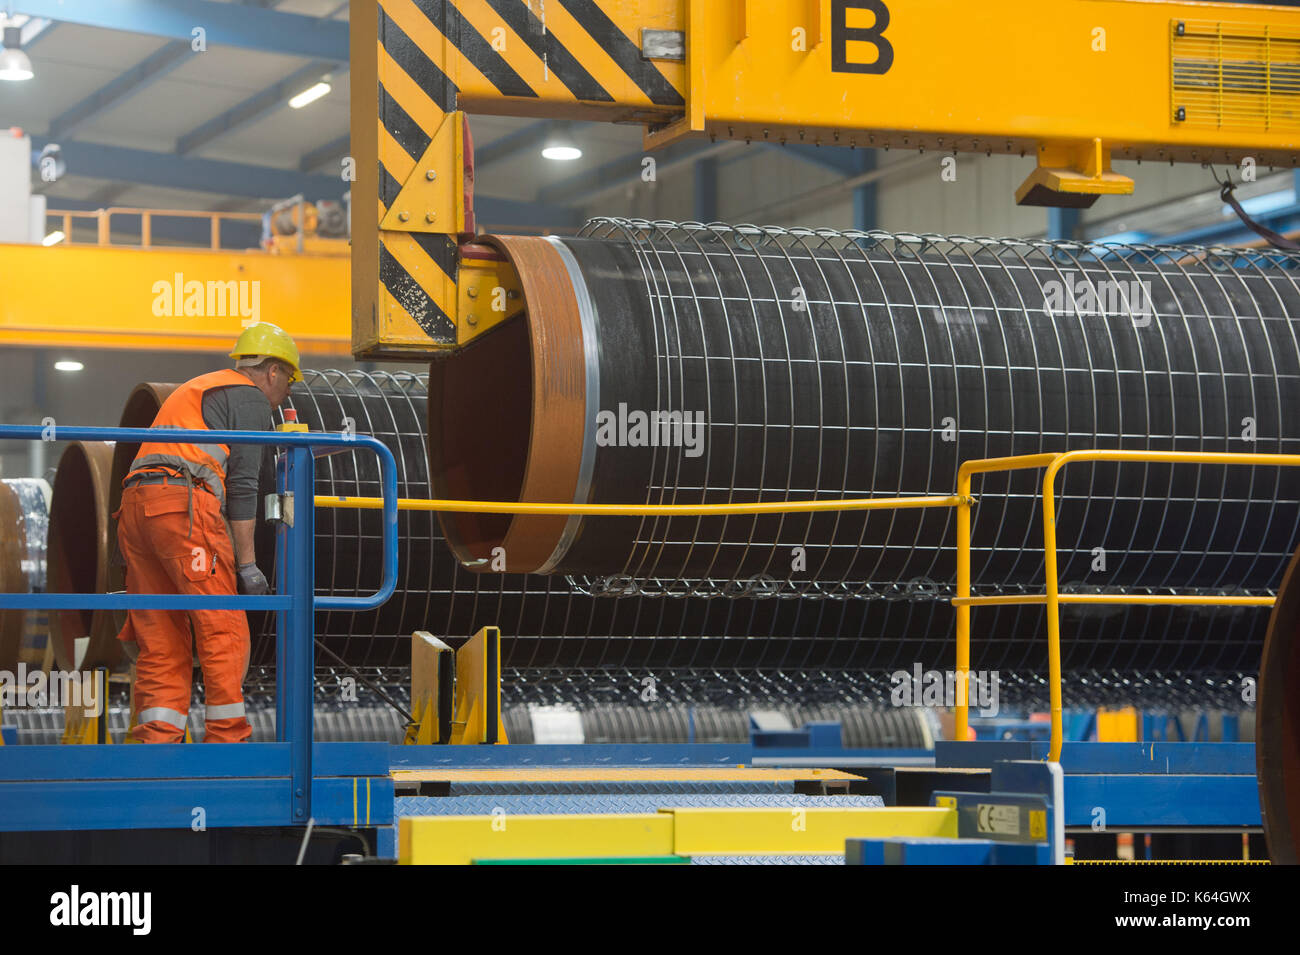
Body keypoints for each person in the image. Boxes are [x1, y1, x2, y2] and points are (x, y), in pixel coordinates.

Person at [114, 323, 302, 743]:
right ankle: (228, 741)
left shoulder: (199, 388)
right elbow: (244, 487)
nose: (288, 391)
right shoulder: (250, 399)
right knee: (222, 623)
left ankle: (157, 744)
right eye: (288, 378)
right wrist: (249, 566)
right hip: (181, 507)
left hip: (134, 508)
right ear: (271, 371)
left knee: (161, 631)